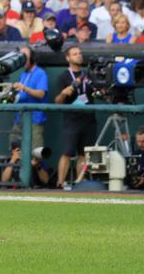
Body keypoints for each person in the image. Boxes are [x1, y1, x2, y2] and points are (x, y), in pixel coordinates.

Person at [53, 45, 97, 187]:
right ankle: (60, 183)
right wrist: (64, 93)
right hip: (72, 120)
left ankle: (80, 184)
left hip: (89, 120)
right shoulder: (63, 77)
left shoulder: (89, 74)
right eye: (75, 54)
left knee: (84, 155)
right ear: (68, 58)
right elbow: (58, 102)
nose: (79, 55)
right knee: (67, 152)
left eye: (80, 53)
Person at [9, 45, 48, 149]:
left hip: (34, 120)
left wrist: (24, 88)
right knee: (14, 149)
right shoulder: (23, 74)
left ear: (33, 57)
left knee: (35, 153)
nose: (22, 60)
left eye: (25, 56)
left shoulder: (40, 73)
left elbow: (41, 94)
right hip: (19, 119)